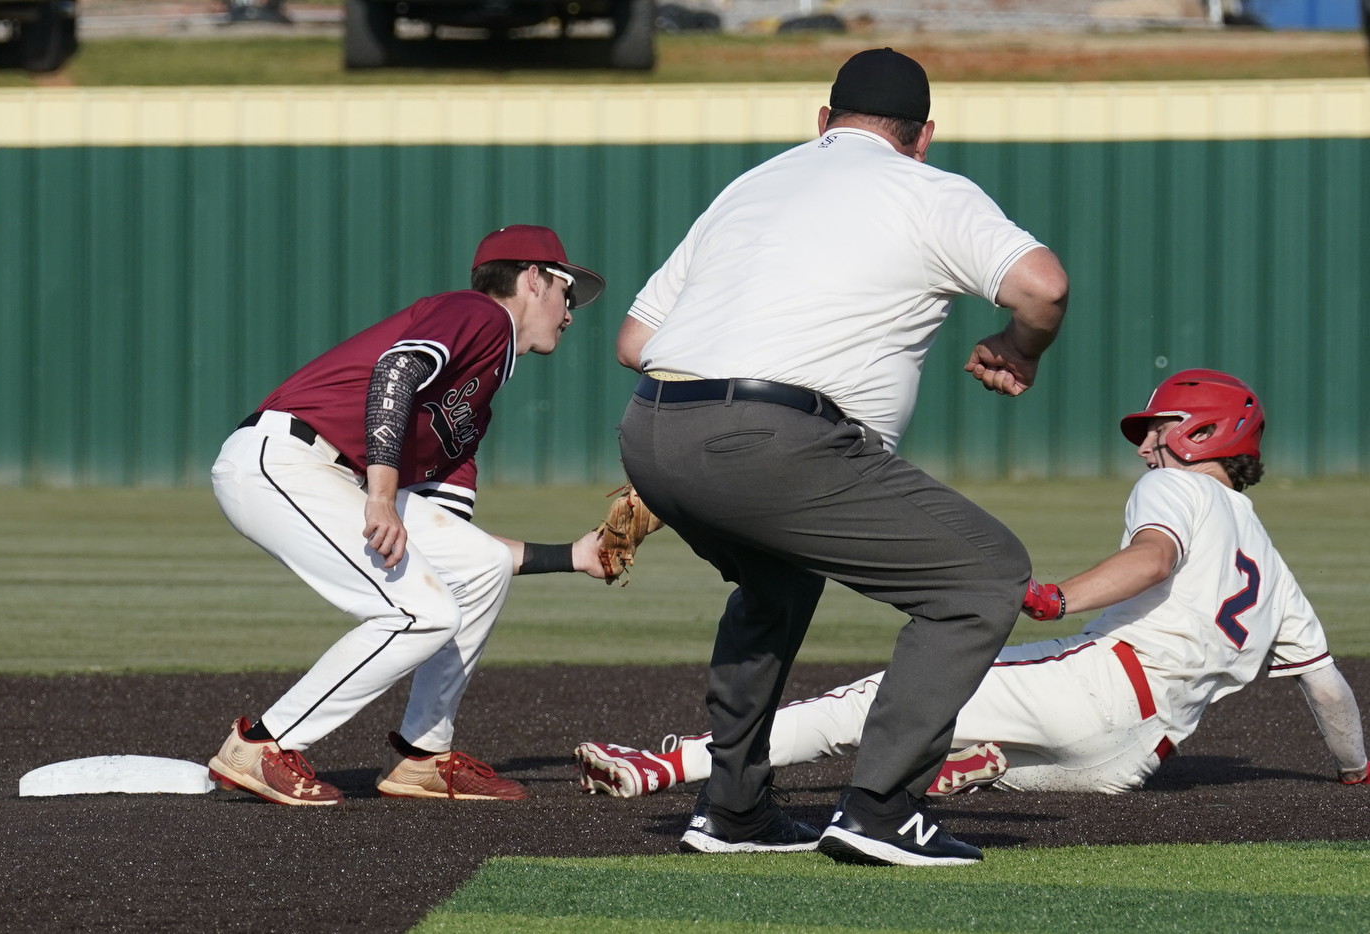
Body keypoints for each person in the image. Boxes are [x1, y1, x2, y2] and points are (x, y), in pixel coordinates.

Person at [612, 48, 1070, 866]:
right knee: (982, 575)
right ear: (922, 137)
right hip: (775, 438)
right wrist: (1019, 346)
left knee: (776, 581)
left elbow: (634, 341)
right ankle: (882, 810)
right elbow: (1042, 285)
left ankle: (735, 809)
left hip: (651, 425)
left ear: (822, 123)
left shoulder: (755, 184)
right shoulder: (926, 188)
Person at [576, 370, 1368, 805]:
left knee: (876, 703)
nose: (1147, 444)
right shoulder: (1274, 567)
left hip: (1101, 685)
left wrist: (1062, 596)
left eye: (1159, 428)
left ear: (1200, 434)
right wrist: (1353, 772)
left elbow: (1155, 559)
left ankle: (666, 769)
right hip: (1133, 759)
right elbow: (1328, 691)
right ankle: (980, 759)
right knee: (956, 741)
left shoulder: (1180, 490)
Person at [207, 225, 609, 806]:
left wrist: (574, 557)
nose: (570, 314)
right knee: (423, 612)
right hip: (284, 457)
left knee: (482, 566)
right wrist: (379, 497)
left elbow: (456, 547)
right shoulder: (479, 314)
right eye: (567, 294)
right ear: (532, 279)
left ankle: (424, 755)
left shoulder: (473, 406)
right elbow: (395, 372)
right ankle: (264, 743)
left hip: (335, 473)